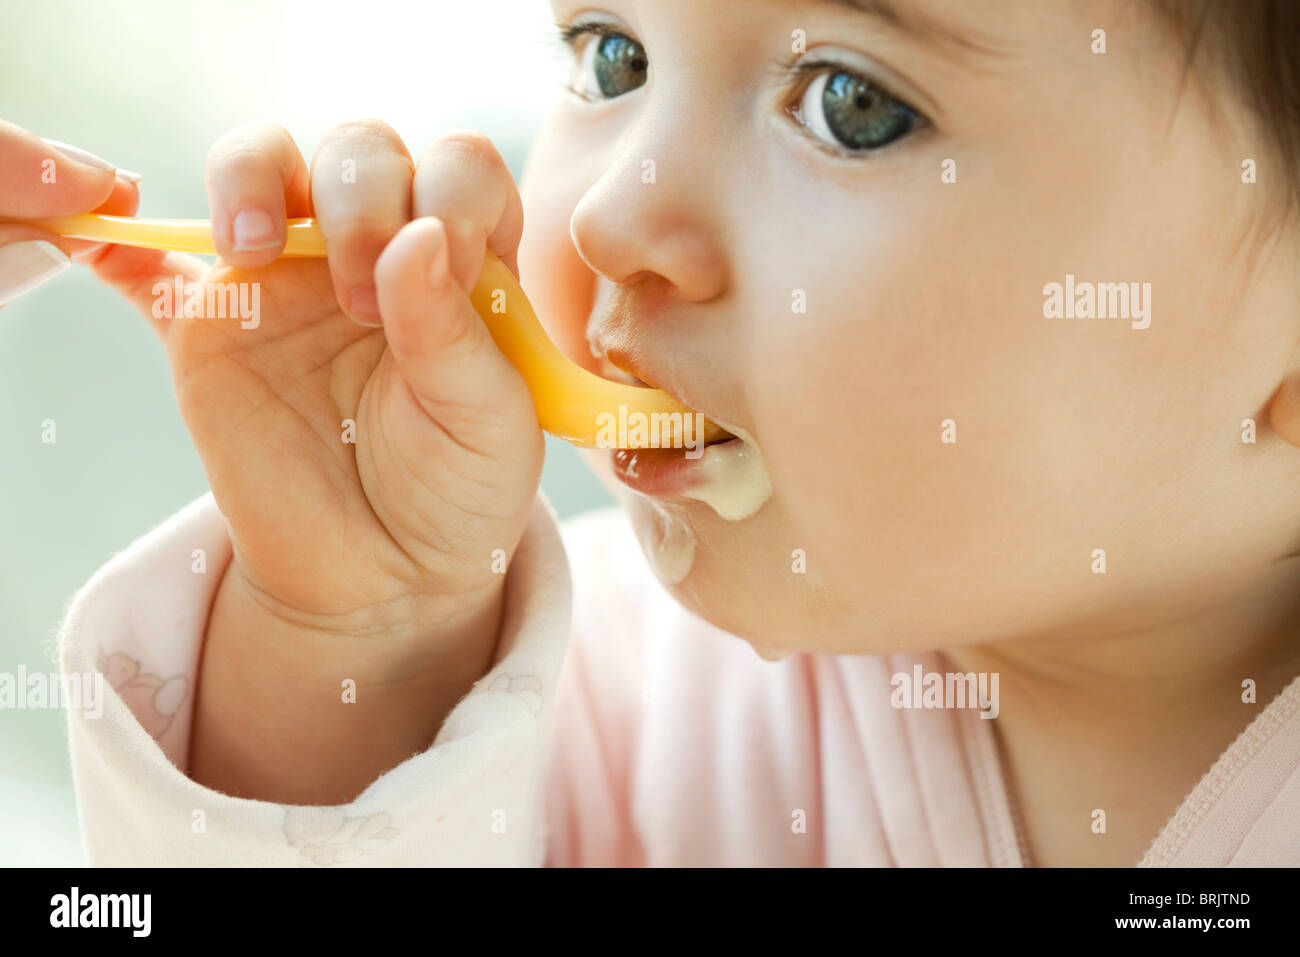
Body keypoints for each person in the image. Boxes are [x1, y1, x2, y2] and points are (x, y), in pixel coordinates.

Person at [13, 0, 1300, 866]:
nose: (605, 223)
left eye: (851, 105)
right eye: (610, 57)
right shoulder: (567, 722)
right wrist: (354, 639)